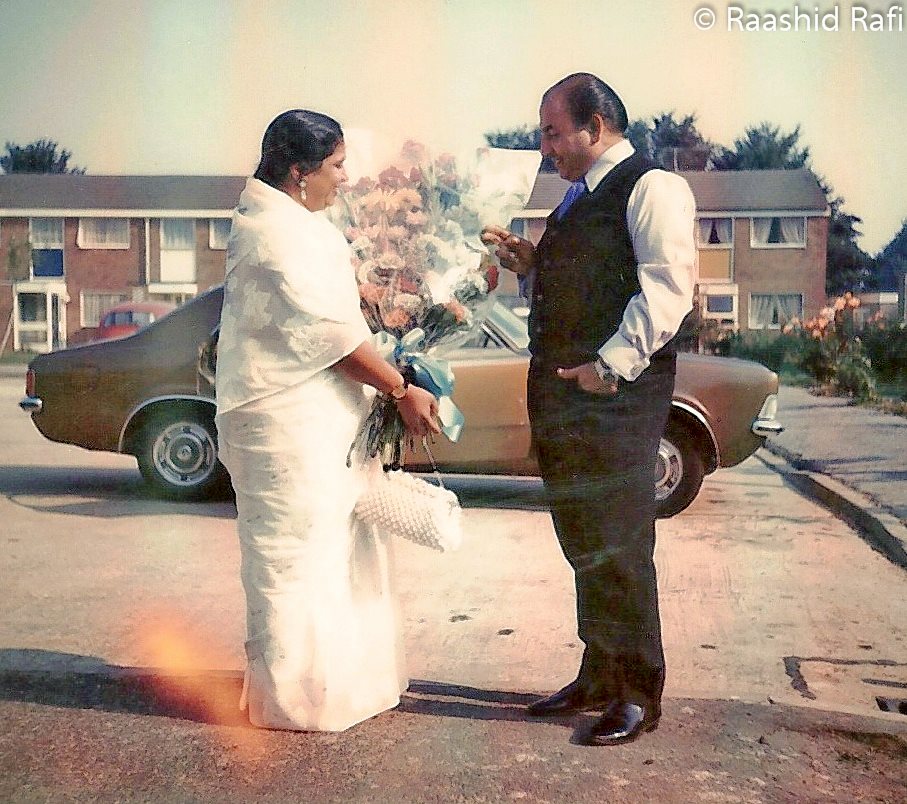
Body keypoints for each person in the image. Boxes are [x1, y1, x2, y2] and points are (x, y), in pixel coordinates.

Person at [482, 74, 696, 746]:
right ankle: (597, 675)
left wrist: (609, 367)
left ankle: (639, 692)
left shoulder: (651, 186)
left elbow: (666, 291)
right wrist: (531, 264)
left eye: (552, 131)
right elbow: (591, 277)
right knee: (583, 540)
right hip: (566, 396)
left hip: (614, 397)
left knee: (619, 542)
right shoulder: (576, 196)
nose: (545, 146)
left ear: (593, 127)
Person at [215, 110, 440, 732]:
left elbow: (331, 314)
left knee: (333, 553)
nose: (345, 178)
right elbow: (328, 338)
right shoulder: (274, 234)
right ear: (299, 171)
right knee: (295, 558)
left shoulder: (293, 223)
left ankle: (340, 687)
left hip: (317, 422)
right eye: (337, 166)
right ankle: (295, 701)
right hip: (286, 427)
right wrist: (399, 388)